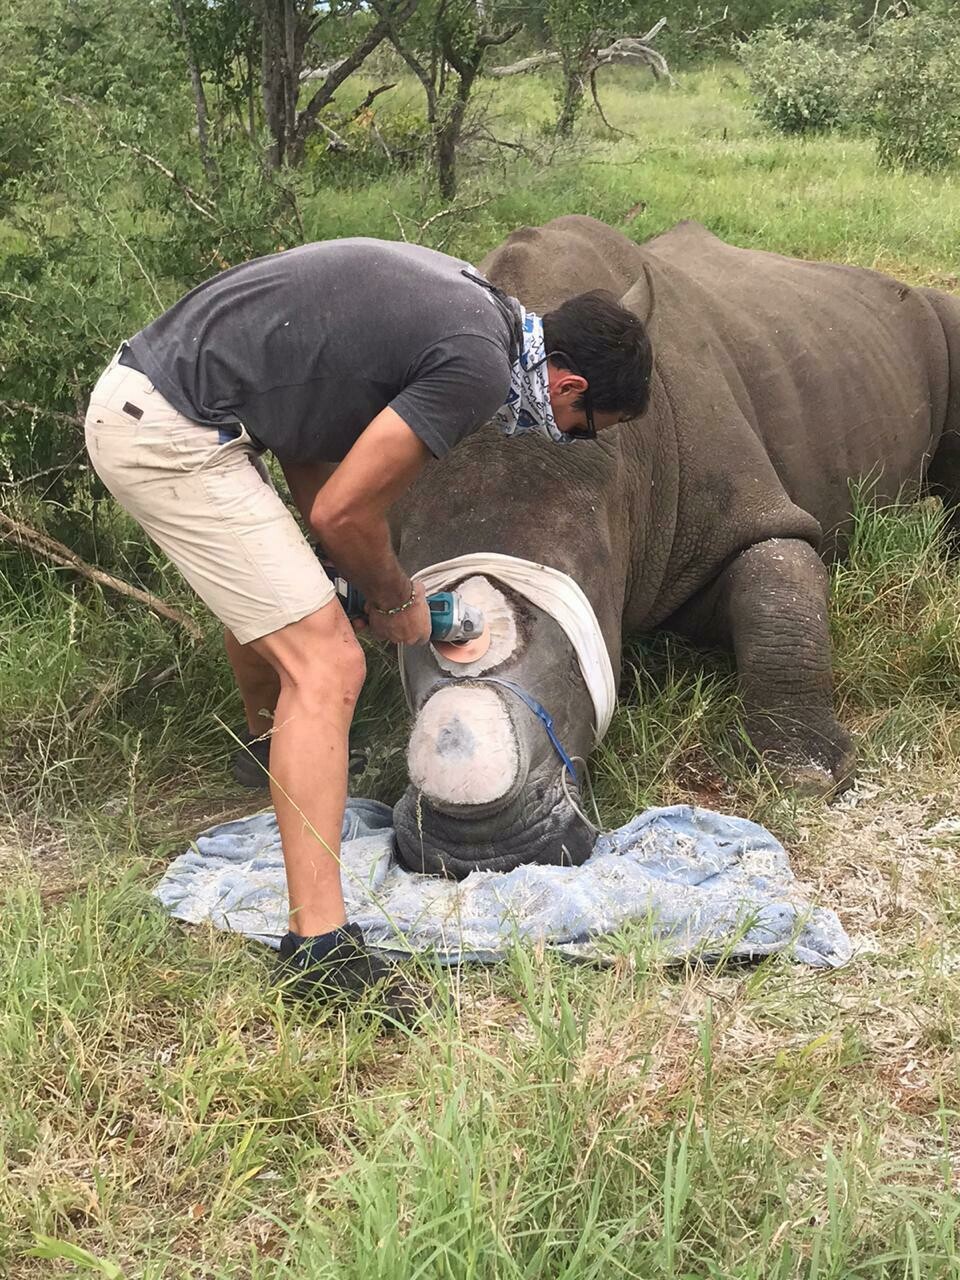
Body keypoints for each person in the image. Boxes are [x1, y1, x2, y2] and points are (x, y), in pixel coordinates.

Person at [84, 237, 653, 1016]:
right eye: (586, 426)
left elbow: (311, 433)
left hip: (172, 397)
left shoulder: (476, 309)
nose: (572, 437)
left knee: (289, 597)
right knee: (329, 664)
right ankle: (319, 951)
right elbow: (344, 510)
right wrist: (392, 601)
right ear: (570, 382)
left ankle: (269, 756)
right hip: (171, 433)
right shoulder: (480, 368)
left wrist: (342, 573)